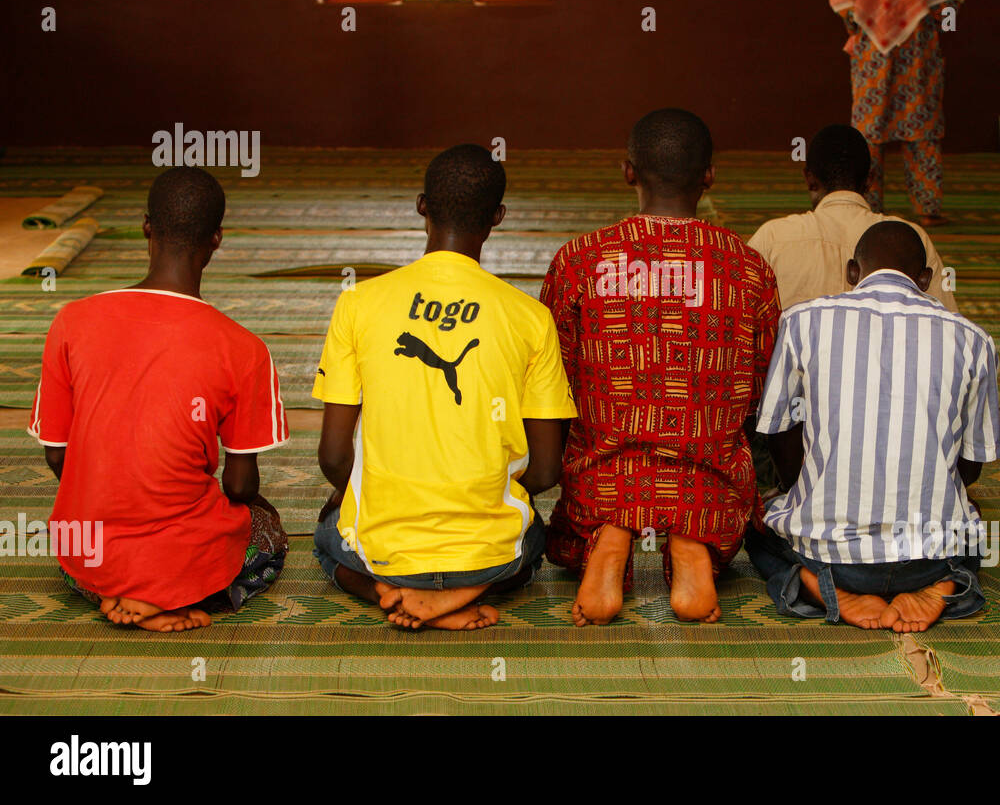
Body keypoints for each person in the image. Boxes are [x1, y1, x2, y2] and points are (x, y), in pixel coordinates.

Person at [312, 144, 576, 631]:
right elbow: (545, 469)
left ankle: (388, 593)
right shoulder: (531, 318)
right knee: (533, 541)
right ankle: (462, 591)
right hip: (489, 554)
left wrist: (355, 494)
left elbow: (332, 457)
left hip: (382, 551)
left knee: (327, 539)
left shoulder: (359, 303)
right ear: (497, 217)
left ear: (421, 206)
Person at [541, 108, 780, 626]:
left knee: (596, 442)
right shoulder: (747, 266)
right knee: (723, 442)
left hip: (601, 475)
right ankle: (692, 542)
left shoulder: (579, 259)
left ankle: (610, 534)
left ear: (629, 172)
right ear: (709, 176)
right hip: (708, 478)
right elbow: (763, 387)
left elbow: (552, 384)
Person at [27, 166, 289, 632]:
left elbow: (57, 457)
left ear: (146, 226)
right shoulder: (244, 348)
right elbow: (241, 487)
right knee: (267, 530)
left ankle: (116, 589)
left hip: (85, 555)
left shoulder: (72, 321)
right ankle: (169, 595)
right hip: (183, 560)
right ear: (216, 239)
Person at [746, 221, 999, 632]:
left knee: (757, 526)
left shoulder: (801, 321)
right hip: (927, 562)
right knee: (973, 524)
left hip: (829, 557)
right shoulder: (973, 339)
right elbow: (970, 469)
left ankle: (813, 583)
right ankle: (950, 582)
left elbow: (774, 429)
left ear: (851, 272)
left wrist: (800, 487)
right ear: (925, 280)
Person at [828, 0, 963, 226]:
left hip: (873, 54)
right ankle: (928, 210)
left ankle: (867, 209)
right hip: (920, 55)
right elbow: (949, 7)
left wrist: (865, 24)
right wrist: (927, 26)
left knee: (869, 132)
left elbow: (846, 8)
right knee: (923, 129)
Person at [749, 123, 957, 310]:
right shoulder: (911, 239)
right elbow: (946, 325)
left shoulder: (772, 238)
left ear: (809, 179)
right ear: (869, 181)